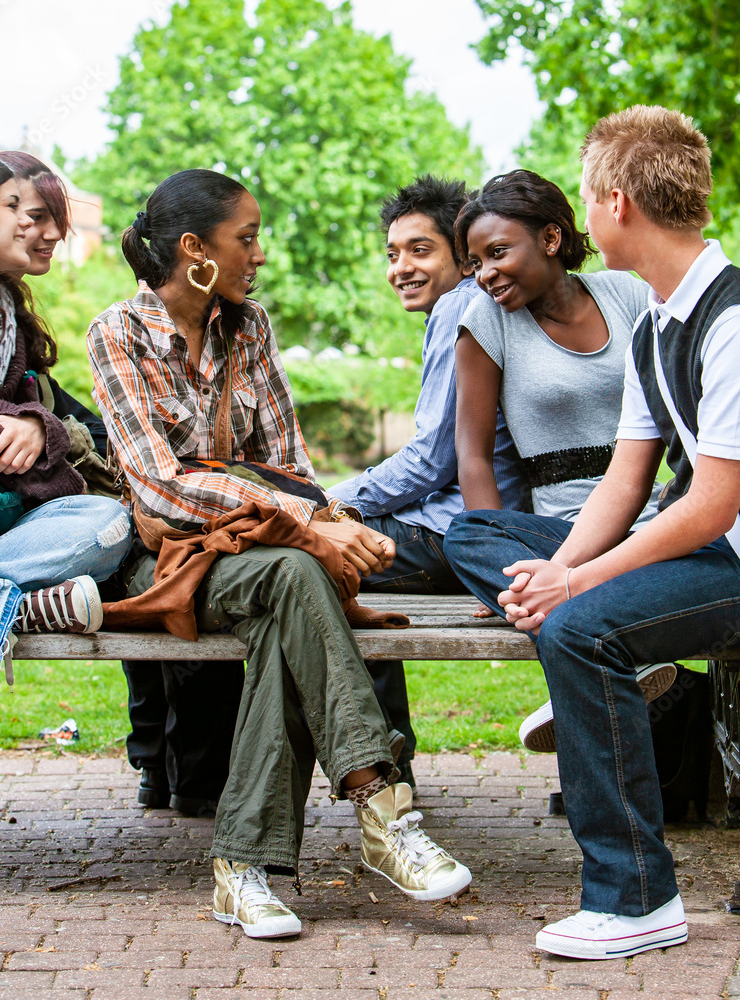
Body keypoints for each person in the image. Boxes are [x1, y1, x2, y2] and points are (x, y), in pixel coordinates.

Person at [87, 168, 472, 938]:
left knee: (297, 587)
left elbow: (290, 463)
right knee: (304, 571)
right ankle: (380, 806)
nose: (259, 255)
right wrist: (309, 526)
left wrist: (317, 519)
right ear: (195, 249)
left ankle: (243, 870)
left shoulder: (250, 328)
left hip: (264, 557)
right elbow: (161, 494)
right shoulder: (117, 334)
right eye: (247, 238)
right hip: (171, 564)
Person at [446, 105, 737, 960]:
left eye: (584, 196)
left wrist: (576, 586)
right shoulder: (656, 320)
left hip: (728, 547)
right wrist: (557, 567)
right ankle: (635, 894)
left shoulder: (727, 319)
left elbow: (711, 504)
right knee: (564, 608)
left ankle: (635, 899)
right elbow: (626, 476)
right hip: (719, 550)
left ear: (614, 204)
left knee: (581, 629)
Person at [0, 148, 243, 817]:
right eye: (32, 214)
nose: (52, 233)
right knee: (154, 551)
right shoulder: (109, 328)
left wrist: (75, 433)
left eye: (54, 217)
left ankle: (165, 770)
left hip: (92, 503)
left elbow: (45, 400)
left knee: (154, 545)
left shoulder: (8, 311)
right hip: (27, 514)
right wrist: (69, 435)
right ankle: (182, 773)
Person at [447, 169, 673, 750]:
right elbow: (472, 456)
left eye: (497, 253)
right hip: (561, 534)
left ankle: (580, 669)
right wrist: (498, 578)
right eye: (474, 262)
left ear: (551, 238)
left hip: (650, 520)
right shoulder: (484, 324)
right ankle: (594, 658)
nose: (485, 274)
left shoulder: (627, 293)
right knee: (467, 533)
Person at [332, 175, 529, 785]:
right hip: (483, 522)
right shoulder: (482, 304)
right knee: (338, 555)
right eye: (392, 254)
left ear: (461, 257)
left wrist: (326, 500)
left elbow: (431, 460)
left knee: (326, 562)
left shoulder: (459, 308)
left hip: (455, 532)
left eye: (420, 250)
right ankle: (389, 757)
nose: (400, 268)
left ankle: (384, 764)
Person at [0, 151, 131, 684]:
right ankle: (11, 609)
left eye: (43, 212)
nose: (34, 226)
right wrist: (38, 438)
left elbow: (39, 407)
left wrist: (35, 427)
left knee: (107, 525)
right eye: (17, 207)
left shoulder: (3, 314)